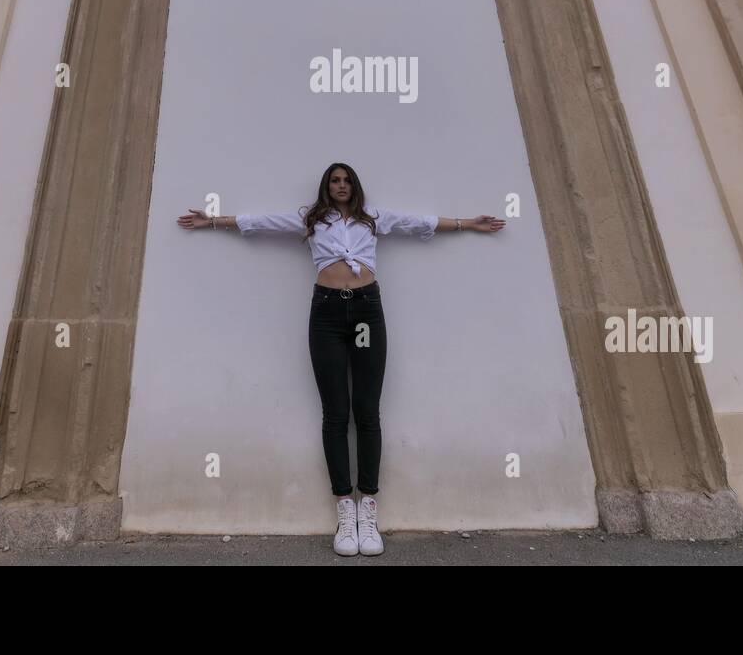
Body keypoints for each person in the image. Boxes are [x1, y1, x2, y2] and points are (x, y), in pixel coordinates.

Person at [178, 161, 505, 556]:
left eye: (347, 180)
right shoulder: (312, 219)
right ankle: (344, 511)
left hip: (366, 311)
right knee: (335, 413)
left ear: (355, 185)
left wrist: (468, 223)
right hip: (328, 315)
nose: (341, 185)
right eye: (335, 180)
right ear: (326, 186)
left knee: (367, 411)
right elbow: (263, 221)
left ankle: (369, 506)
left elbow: (418, 222)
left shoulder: (373, 219)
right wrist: (213, 220)